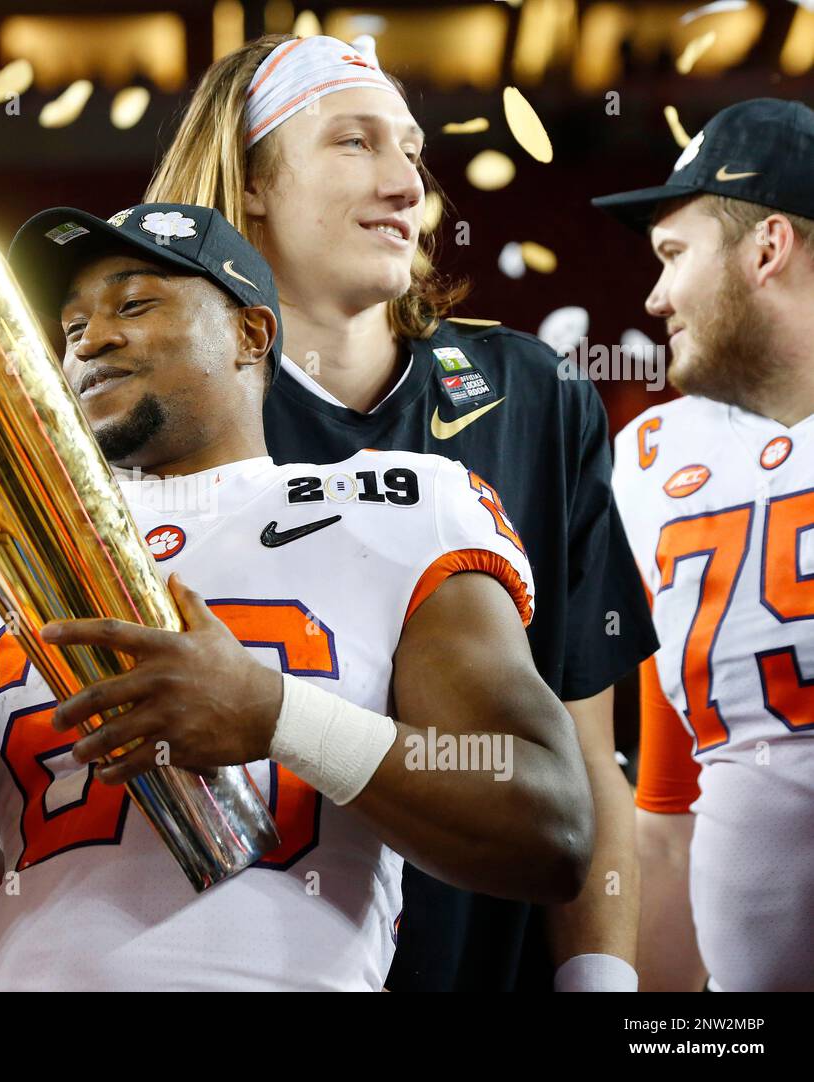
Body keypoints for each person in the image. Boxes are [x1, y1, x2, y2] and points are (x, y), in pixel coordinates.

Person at [0, 200, 593, 991]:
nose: (92, 338)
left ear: (252, 332)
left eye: (134, 304)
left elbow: (548, 821)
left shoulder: (397, 501)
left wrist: (275, 716)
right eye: (70, 329)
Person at [143, 32, 656, 992]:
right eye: (354, 143)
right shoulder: (165, 416)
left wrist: (602, 986)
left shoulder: (533, 397)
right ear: (249, 181)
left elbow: (589, 758)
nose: (404, 183)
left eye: (411, 151)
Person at [596, 98, 814, 992]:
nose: (653, 297)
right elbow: (669, 815)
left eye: (673, 256)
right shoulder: (651, 460)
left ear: (766, 249)